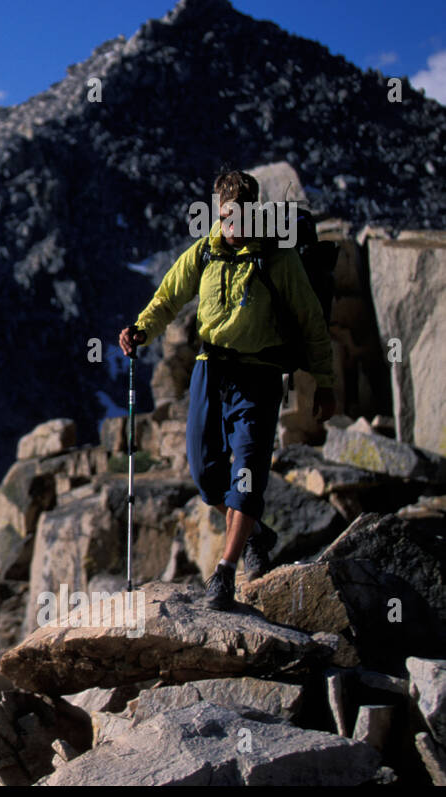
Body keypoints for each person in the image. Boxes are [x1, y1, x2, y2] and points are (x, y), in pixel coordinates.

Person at [119, 170, 336, 610]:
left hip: (259, 375)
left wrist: (324, 381)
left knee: (247, 471)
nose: (232, 226)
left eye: (241, 217)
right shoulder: (203, 253)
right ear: (217, 213)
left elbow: (312, 321)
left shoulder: (277, 258)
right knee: (204, 473)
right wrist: (141, 329)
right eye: (225, 217)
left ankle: (225, 571)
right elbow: (168, 297)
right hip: (210, 369)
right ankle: (256, 531)